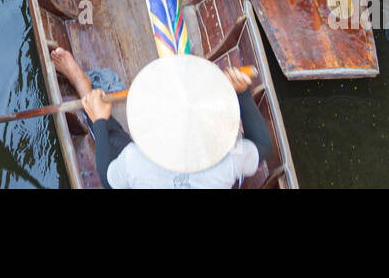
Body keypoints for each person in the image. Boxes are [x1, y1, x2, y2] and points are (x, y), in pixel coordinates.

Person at [50, 49, 272, 189]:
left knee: (108, 132)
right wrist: (242, 93)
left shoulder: (134, 161)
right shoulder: (231, 155)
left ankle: (83, 86)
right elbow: (262, 146)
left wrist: (99, 121)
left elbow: (108, 179)